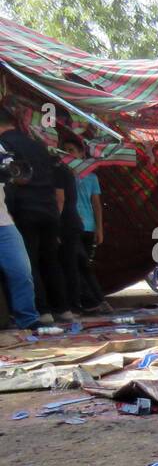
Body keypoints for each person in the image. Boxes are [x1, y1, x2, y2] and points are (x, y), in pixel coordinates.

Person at [0, 106, 64, 322]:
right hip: (45, 210)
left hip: (9, 218)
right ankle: (57, 310)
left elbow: (16, 176)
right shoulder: (37, 145)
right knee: (45, 262)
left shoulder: (4, 147)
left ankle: (31, 317)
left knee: (23, 269)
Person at [61, 136, 108, 313]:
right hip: (70, 225)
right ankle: (92, 301)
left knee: (83, 266)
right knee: (76, 265)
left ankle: (95, 301)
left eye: (71, 150)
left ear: (82, 153)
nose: (68, 154)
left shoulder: (91, 177)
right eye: (65, 150)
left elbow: (96, 204)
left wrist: (99, 228)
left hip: (87, 226)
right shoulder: (61, 174)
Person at [0, 139, 40, 331]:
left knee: (21, 271)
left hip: (3, 222)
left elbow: (20, 176)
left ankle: (28, 318)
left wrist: (11, 172)